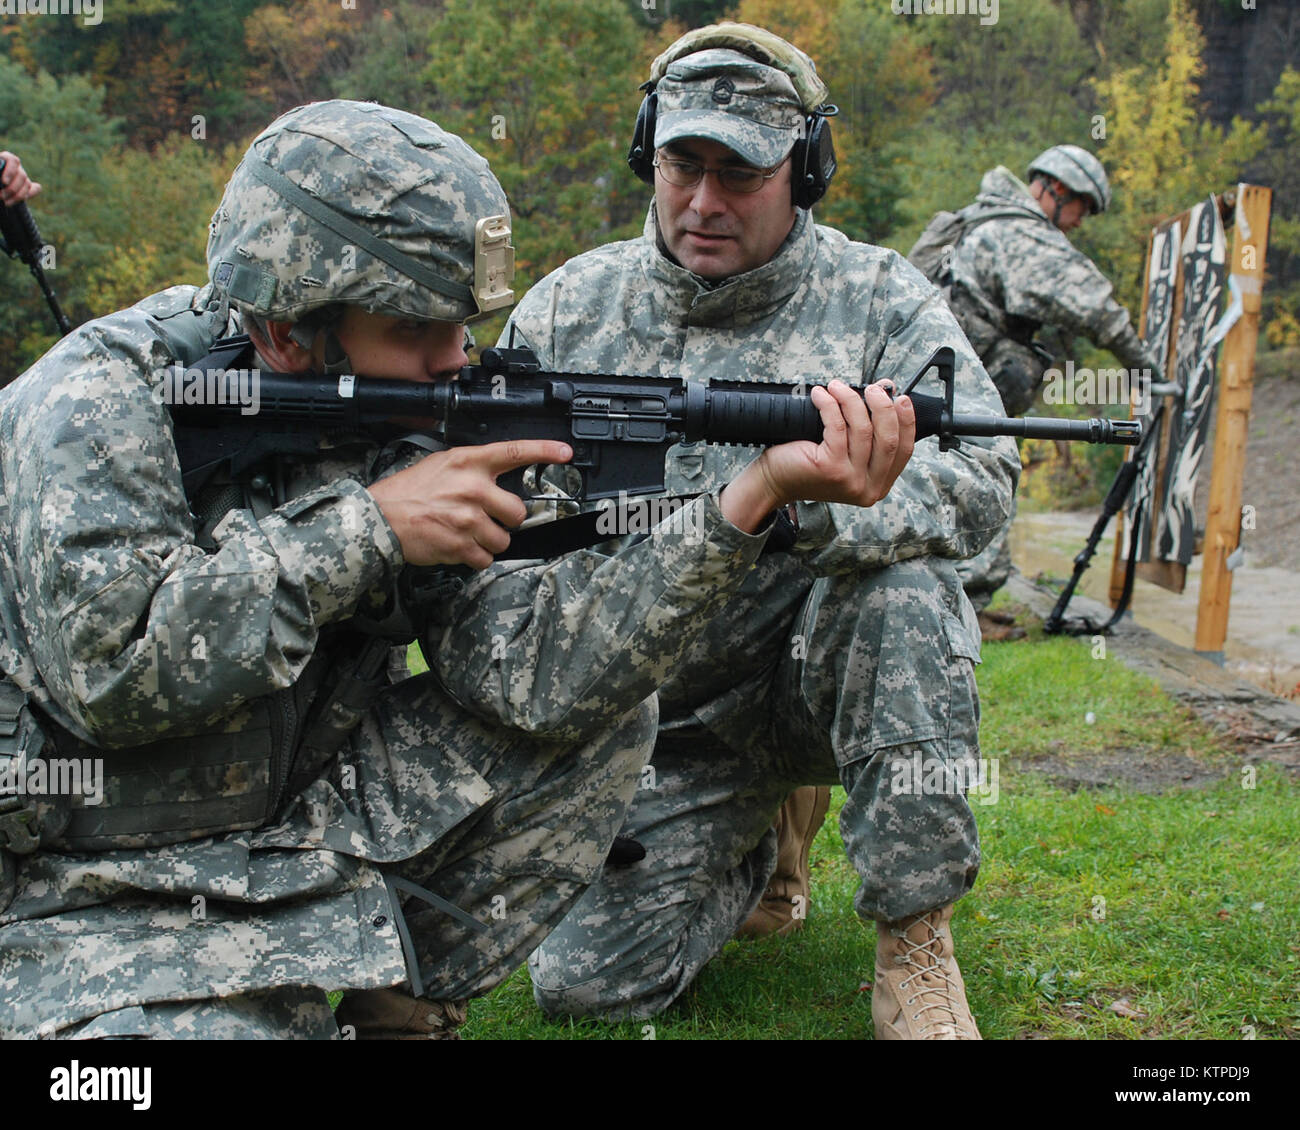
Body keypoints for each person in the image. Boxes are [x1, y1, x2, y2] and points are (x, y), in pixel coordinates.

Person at [0, 99, 906, 1039]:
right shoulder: (98, 404)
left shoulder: (408, 409)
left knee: (600, 717)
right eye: (417, 328)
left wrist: (747, 500)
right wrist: (369, 532)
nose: (456, 358)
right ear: (283, 329)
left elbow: (537, 678)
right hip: (75, 889)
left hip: (288, 834)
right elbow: (111, 669)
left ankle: (390, 1006)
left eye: (465, 323)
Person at [494, 23, 1020, 1039]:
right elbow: (504, 513)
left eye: (741, 173)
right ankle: (759, 839)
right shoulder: (567, 309)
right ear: (649, 153)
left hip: (813, 671)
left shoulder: (880, 301)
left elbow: (986, 478)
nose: (703, 202)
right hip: (658, 716)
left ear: (806, 172)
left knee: (901, 590)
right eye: (682, 166)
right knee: (585, 988)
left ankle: (914, 941)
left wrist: (841, 504)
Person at [910, 146, 1160, 637]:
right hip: (968, 388)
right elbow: (1094, 307)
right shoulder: (1021, 233)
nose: (1080, 223)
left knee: (948, 481)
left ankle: (957, 604)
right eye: (1082, 209)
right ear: (1058, 190)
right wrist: (1146, 367)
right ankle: (962, 609)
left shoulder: (977, 220)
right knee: (988, 476)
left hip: (934, 383)